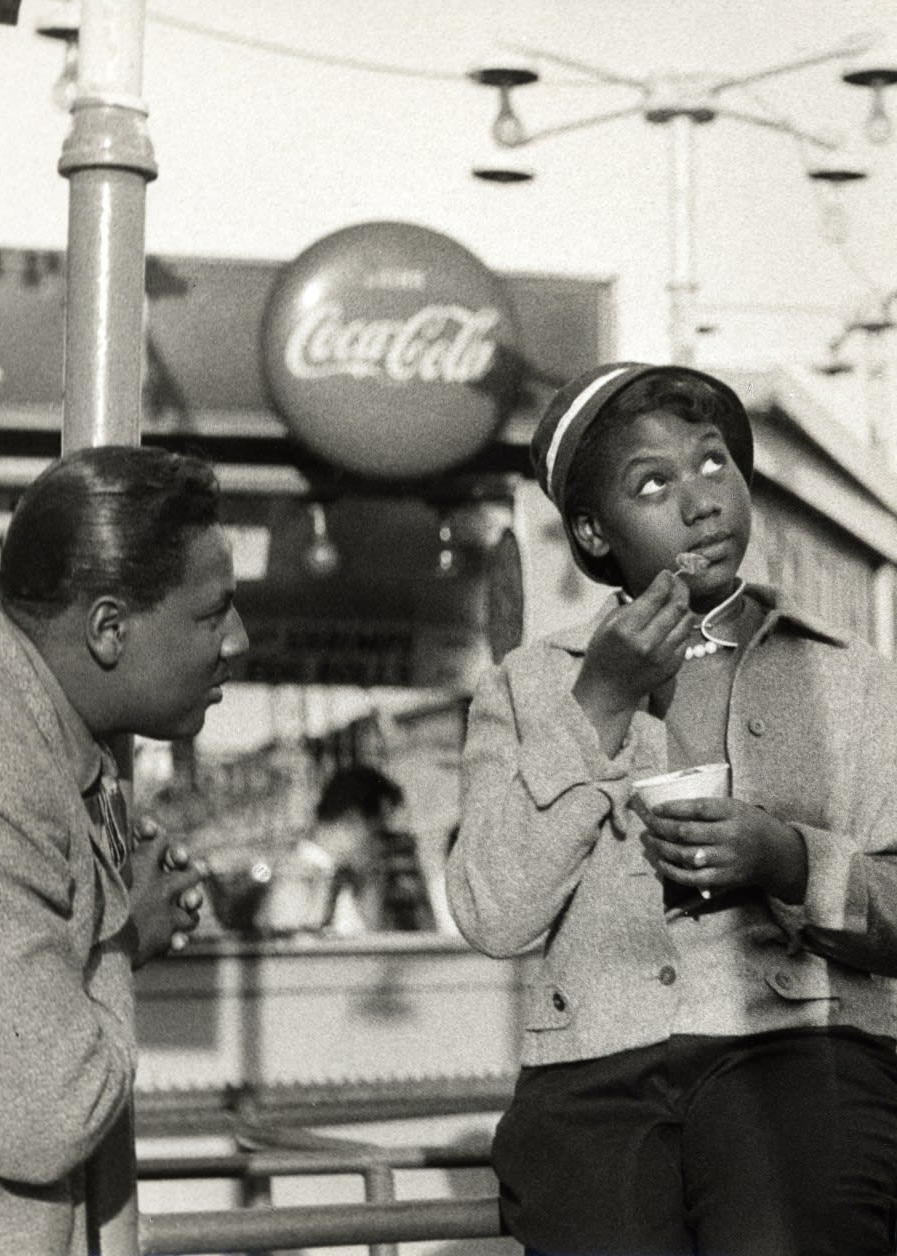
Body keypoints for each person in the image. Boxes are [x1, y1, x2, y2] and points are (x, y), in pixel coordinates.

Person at [446, 362, 897, 1256]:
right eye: (652, 484)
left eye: (714, 464)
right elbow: (492, 913)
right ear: (593, 530)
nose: (701, 503)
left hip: (802, 1055)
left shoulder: (853, 678)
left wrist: (789, 861)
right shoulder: (532, 685)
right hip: (590, 1084)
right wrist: (598, 705)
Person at [0, 445, 248, 1256]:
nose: (237, 639)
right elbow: (47, 1116)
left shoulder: (27, 712)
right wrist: (125, 935)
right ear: (108, 628)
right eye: (212, 612)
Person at [265, 765, 435, 934]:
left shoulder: (351, 879)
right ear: (352, 821)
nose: (384, 848)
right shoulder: (297, 877)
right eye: (380, 834)